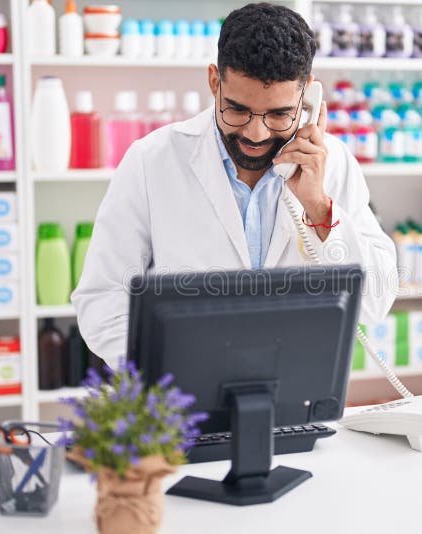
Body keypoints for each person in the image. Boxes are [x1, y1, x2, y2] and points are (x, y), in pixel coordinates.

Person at [73, 3, 397, 369]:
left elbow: (375, 302)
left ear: (307, 96)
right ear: (215, 82)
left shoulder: (332, 163)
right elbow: (102, 298)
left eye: (278, 114)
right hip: (183, 405)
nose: (255, 134)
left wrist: (319, 209)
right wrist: (165, 379)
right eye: (238, 110)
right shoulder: (151, 161)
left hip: (295, 394)